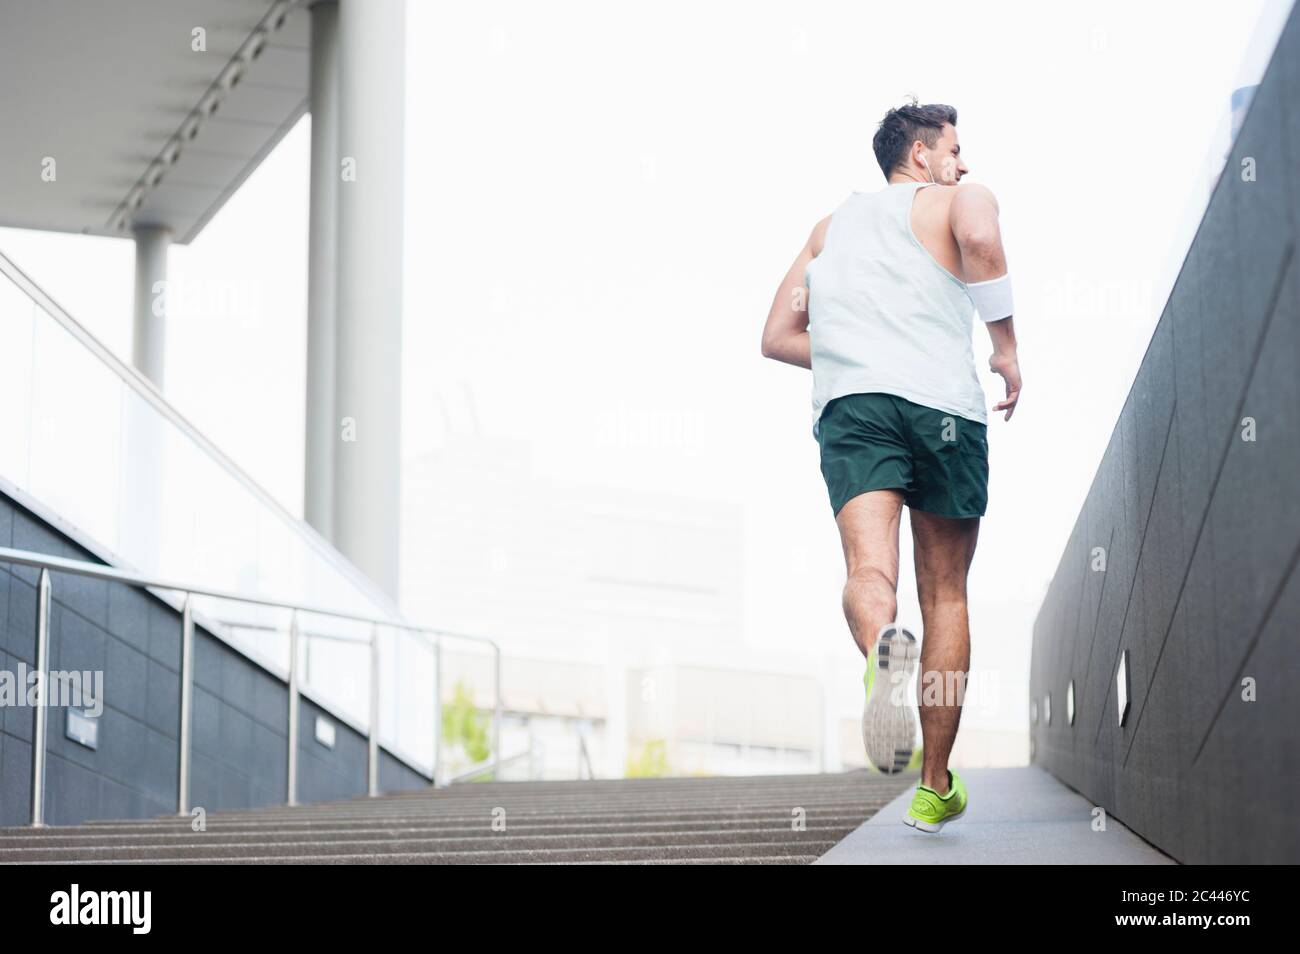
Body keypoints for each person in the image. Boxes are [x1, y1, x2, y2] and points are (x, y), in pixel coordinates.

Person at [759, 100, 1021, 832]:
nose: (963, 163)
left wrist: (858, 348)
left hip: (855, 407)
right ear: (921, 155)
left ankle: (881, 647)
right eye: (954, 149)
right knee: (946, 595)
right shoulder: (959, 199)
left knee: (870, 572)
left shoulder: (829, 229)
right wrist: (1005, 347)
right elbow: (980, 237)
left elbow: (778, 335)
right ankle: (934, 785)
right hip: (942, 408)